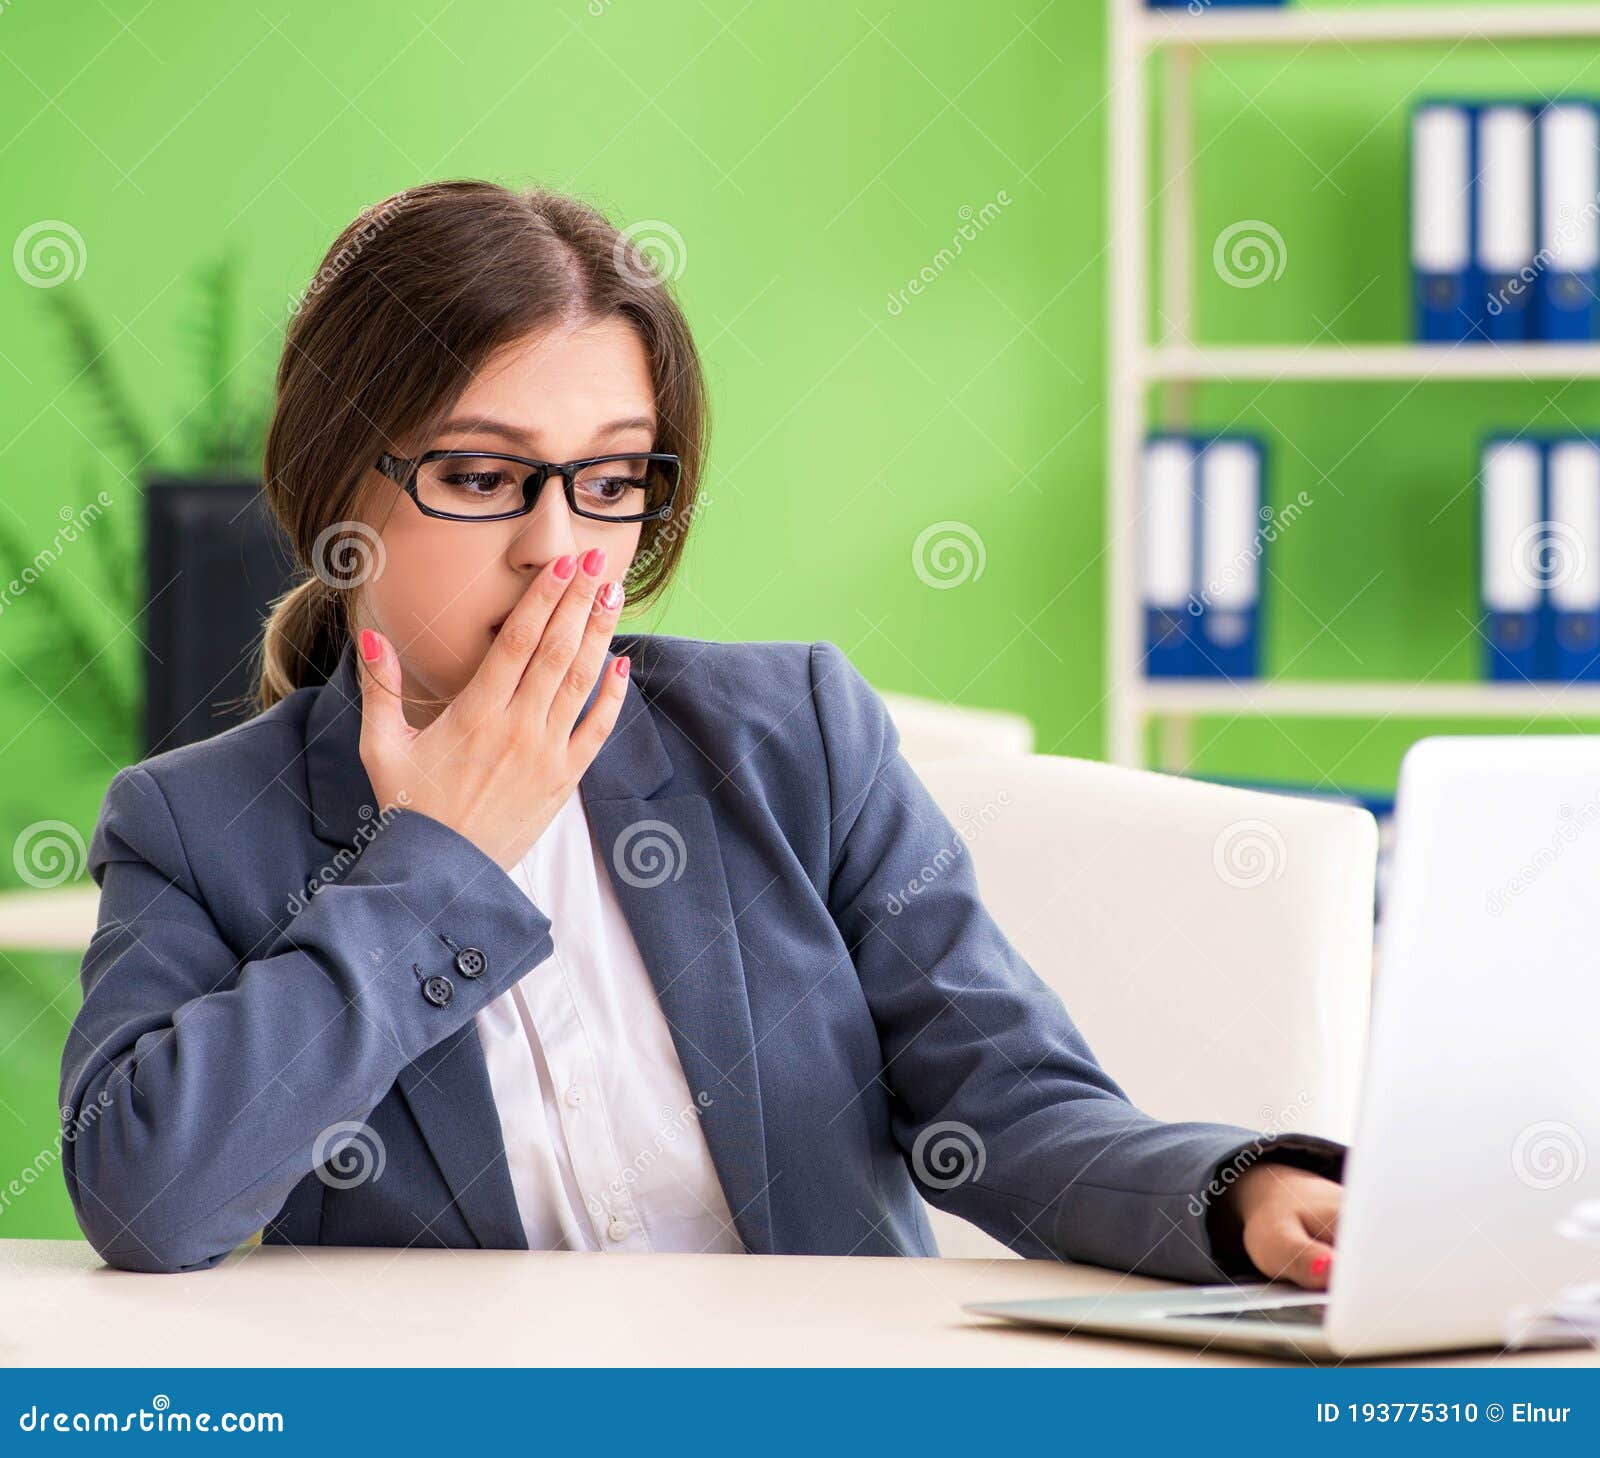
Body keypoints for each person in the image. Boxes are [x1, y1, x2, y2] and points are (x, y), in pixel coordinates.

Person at [60, 180, 1343, 1277]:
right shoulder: (196, 826)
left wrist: (1234, 1197)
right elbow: (147, 1200)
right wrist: (434, 857)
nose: (557, 549)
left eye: (612, 481)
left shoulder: (795, 736)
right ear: (335, 484)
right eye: (480, 476)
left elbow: (1011, 1107)